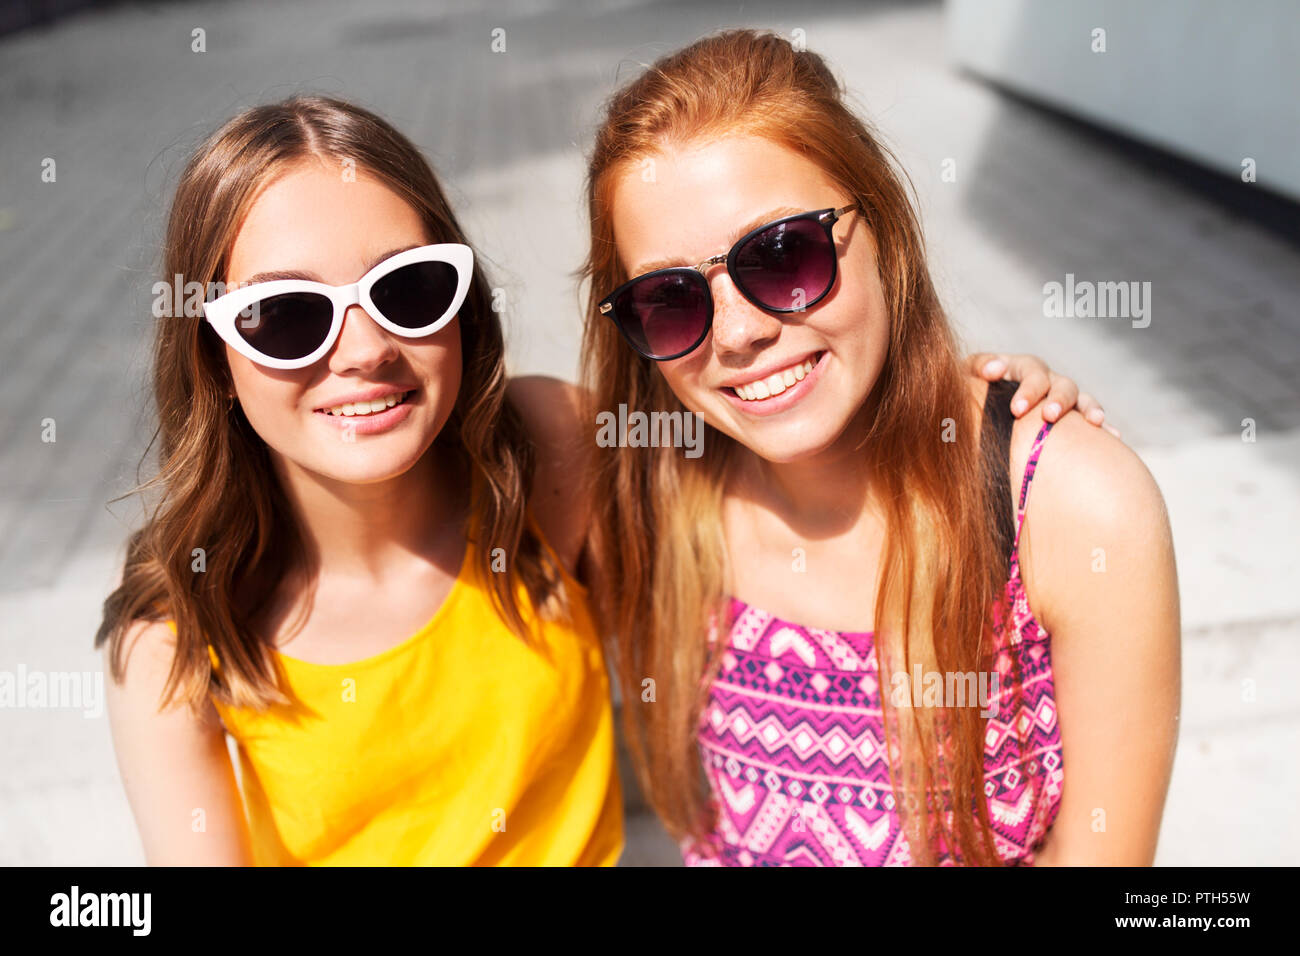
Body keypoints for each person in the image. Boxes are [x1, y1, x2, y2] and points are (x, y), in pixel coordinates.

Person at [576, 30, 1180, 865]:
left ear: (885, 227)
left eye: (784, 255)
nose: (743, 333)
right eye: (671, 300)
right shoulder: (646, 488)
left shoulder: (1067, 504)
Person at [97, 96, 621, 865]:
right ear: (212, 357)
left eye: (408, 289)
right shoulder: (179, 632)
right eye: (285, 314)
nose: (367, 349)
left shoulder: (551, 448)